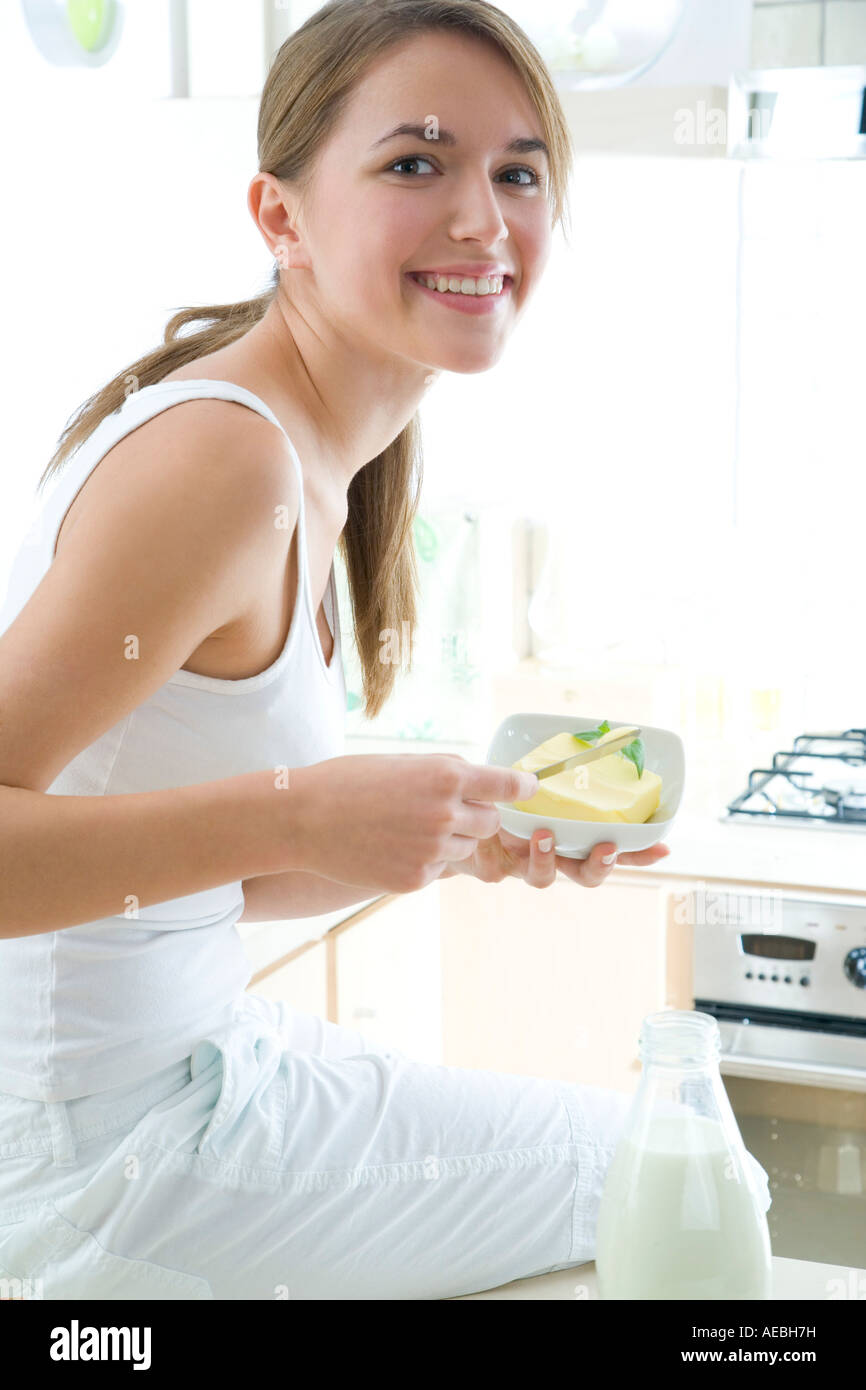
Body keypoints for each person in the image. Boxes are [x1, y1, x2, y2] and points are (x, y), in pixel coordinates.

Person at [0, 0, 765, 1300]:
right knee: (689, 1178)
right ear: (280, 218)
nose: (482, 218)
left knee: (671, 1167)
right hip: (93, 1162)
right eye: (415, 162)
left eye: (516, 170)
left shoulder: (318, 454)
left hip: (185, 1076)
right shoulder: (226, 461)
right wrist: (302, 806)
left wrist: (431, 834)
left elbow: (174, 871)